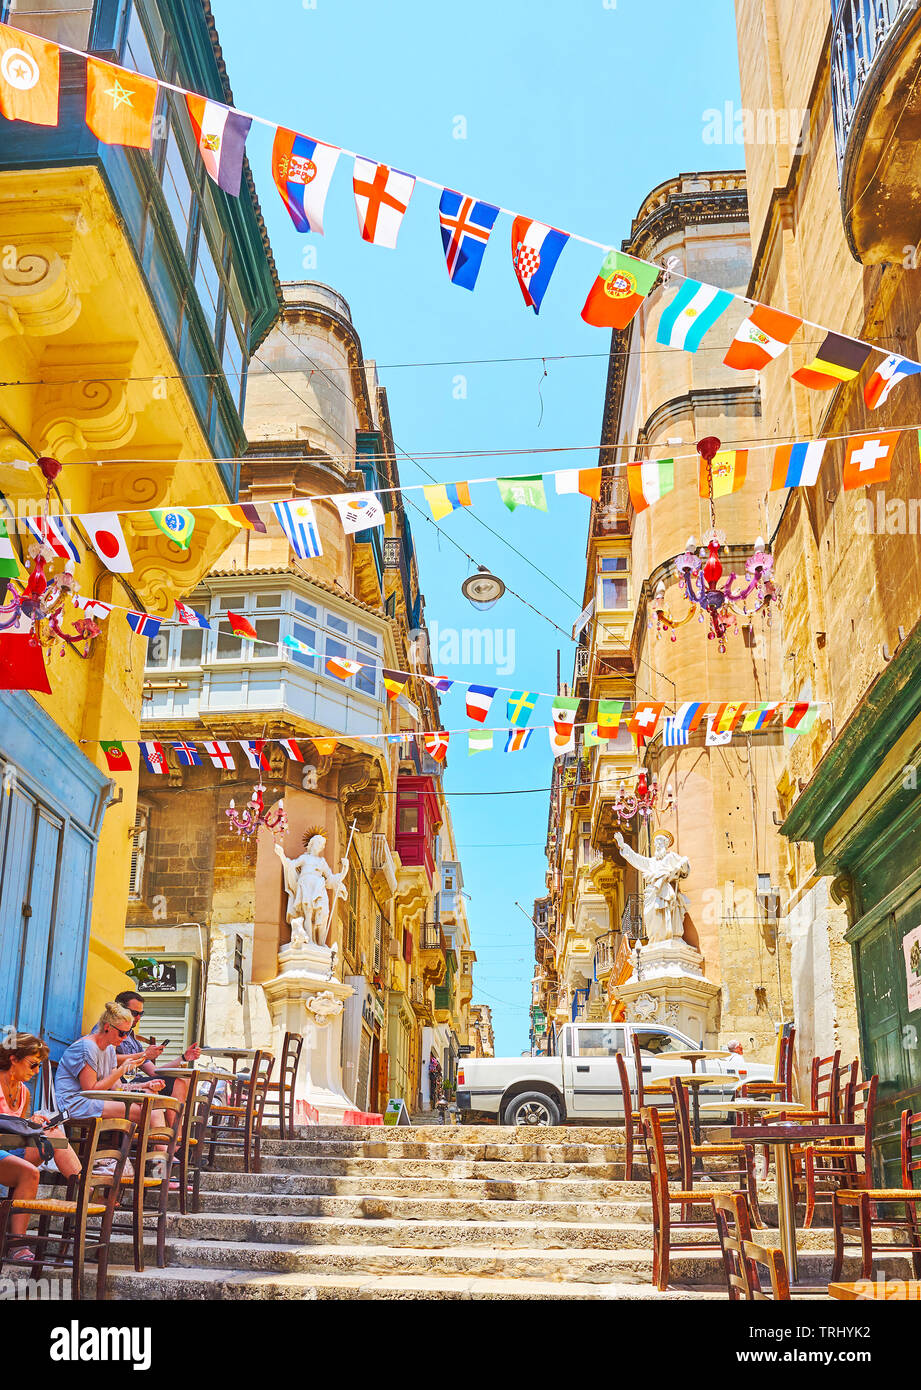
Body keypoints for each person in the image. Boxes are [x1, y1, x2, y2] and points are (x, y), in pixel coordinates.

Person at [0, 1031, 81, 1262]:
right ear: (13, 1058)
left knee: (52, 1133)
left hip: (9, 1151)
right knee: (30, 1172)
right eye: (33, 1065)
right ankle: (17, 1244)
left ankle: (83, 1185)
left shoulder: (24, 1092)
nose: (36, 1072)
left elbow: (16, 1131)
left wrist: (31, 1124)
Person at [55, 1002, 166, 1127]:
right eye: (122, 1033)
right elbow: (90, 1090)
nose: (124, 1038)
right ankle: (161, 1146)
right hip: (74, 1103)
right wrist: (122, 1070)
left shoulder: (109, 1048)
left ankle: (161, 1146)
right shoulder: (87, 1047)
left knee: (151, 1097)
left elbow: (117, 1087)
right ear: (107, 1027)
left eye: (128, 1033)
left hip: (94, 1100)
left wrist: (146, 1085)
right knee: (145, 1111)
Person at [104, 990, 201, 1108]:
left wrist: (183, 1057)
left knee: (185, 1080)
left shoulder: (132, 1038)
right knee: (178, 1083)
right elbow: (107, 1058)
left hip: (134, 1081)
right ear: (120, 1009)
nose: (139, 1017)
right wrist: (143, 1055)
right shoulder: (110, 1029)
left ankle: (176, 1125)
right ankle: (176, 1126)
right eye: (135, 1013)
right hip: (119, 1083)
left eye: (141, 1013)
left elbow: (154, 1072)